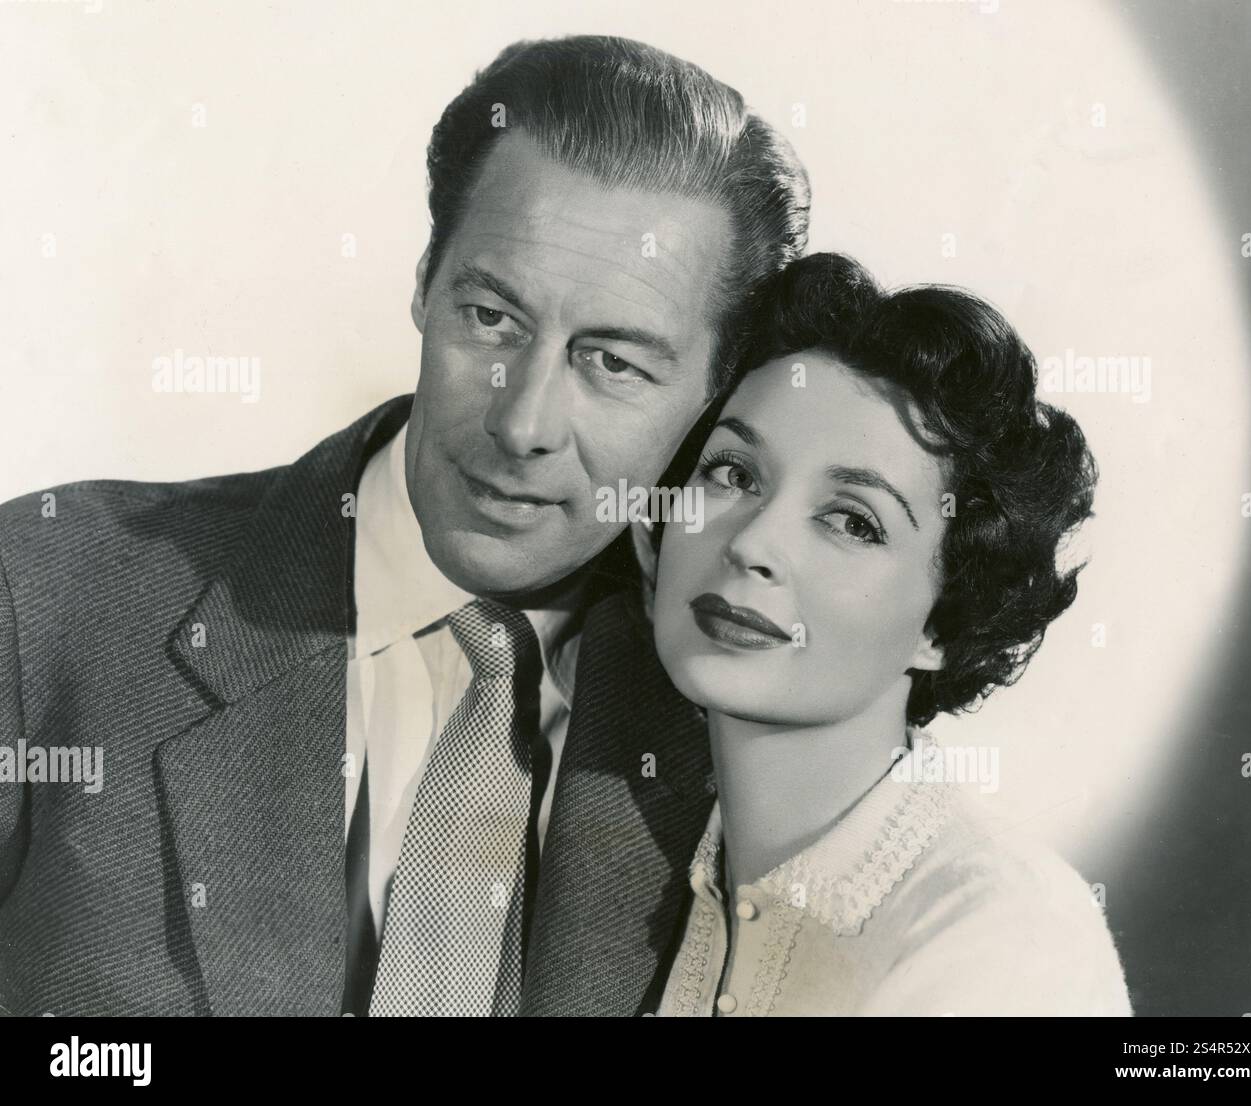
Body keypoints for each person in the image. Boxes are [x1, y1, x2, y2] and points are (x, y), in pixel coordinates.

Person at [0, 35, 809, 1016]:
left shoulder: (744, 740)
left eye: (614, 362)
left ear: (715, 392)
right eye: (491, 316)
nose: (522, 423)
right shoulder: (45, 595)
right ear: (425, 280)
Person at [649, 253, 1132, 1016]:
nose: (751, 545)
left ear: (941, 625)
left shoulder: (1000, 937)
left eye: (852, 521)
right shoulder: (657, 863)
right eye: (736, 474)